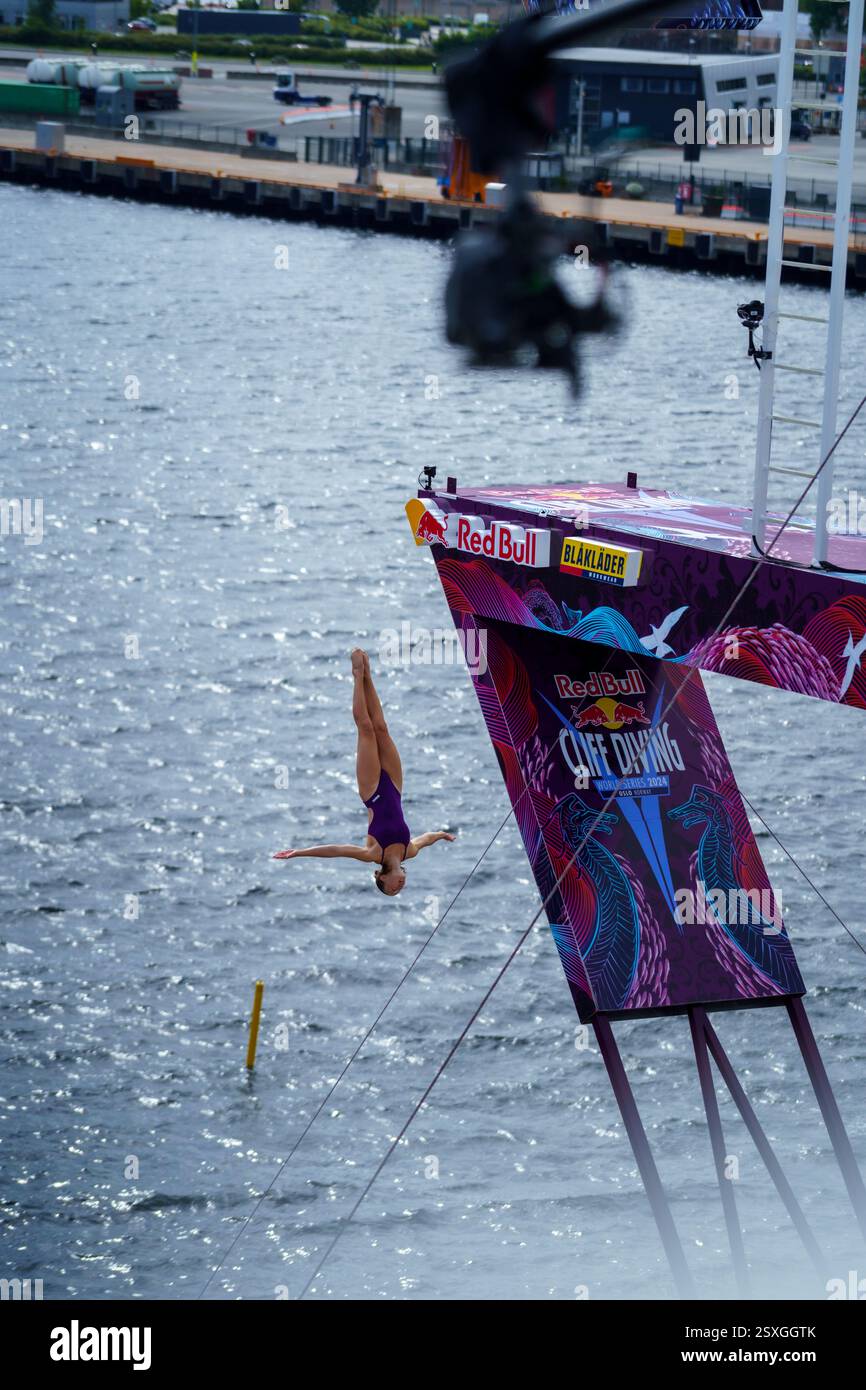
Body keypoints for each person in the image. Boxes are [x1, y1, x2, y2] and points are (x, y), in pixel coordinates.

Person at [273, 650, 455, 896]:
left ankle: (357, 675)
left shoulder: (372, 854)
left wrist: (298, 852)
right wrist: (441, 835)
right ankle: (368, 674)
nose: (398, 887)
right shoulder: (408, 851)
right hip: (394, 785)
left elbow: (335, 850)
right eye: (399, 889)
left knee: (366, 729)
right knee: (381, 728)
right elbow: (427, 838)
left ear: (382, 879)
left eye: (391, 890)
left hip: (372, 792)